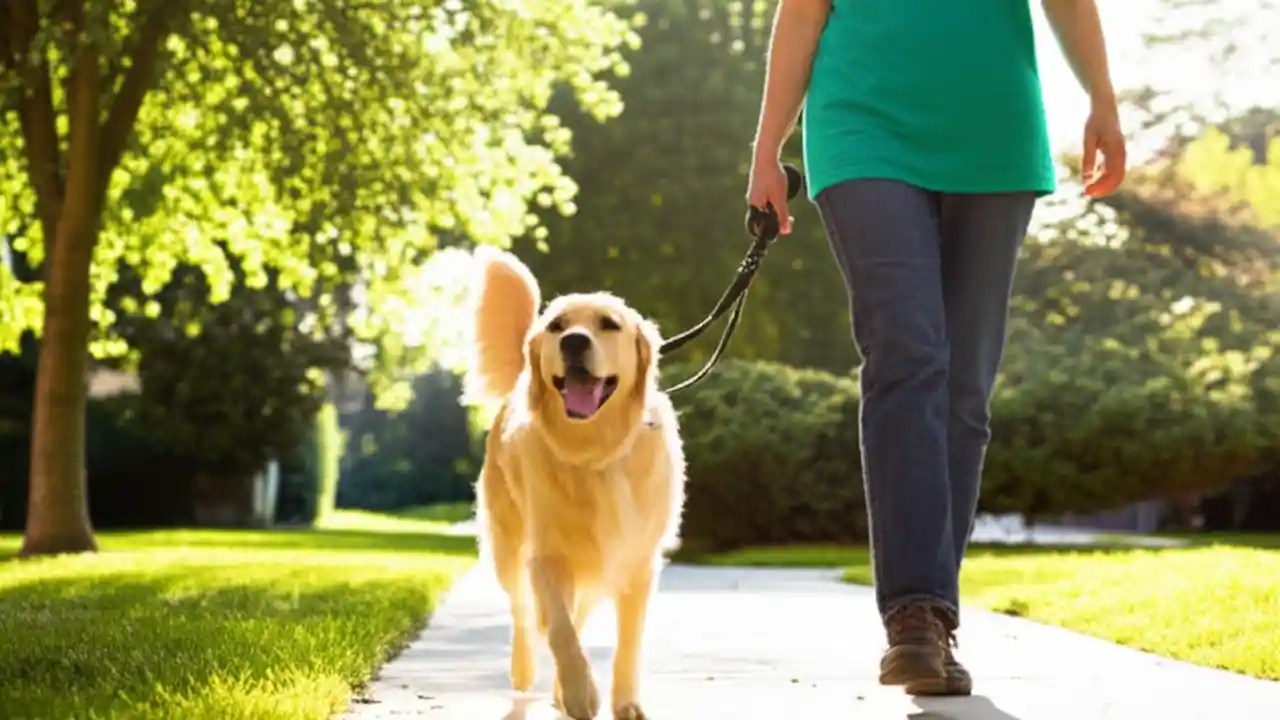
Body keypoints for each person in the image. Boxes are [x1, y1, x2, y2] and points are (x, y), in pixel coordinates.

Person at [746, 0, 1126, 697]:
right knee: (906, 354)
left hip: (994, 132)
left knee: (965, 390)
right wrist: (767, 146)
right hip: (864, 128)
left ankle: (935, 621)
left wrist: (1103, 99)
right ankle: (914, 615)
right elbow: (802, 11)